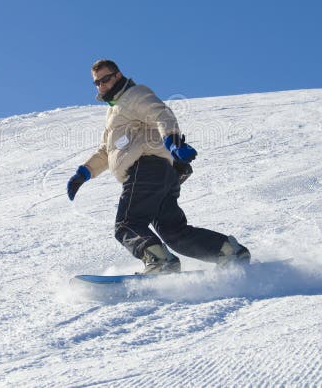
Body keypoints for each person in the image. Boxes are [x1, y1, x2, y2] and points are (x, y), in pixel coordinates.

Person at [67, 59, 251, 274]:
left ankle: (161, 262)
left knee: (126, 225)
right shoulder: (115, 112)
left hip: (145, 170)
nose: (101, 86)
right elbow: (106, 151)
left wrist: (173, 141)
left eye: (105, 80)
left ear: (118, 75)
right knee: (174, 232)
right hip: (161, 175)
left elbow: (161, 114)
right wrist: (83, 173)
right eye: (97, 83)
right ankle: (228, 251)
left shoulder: (134, 95)